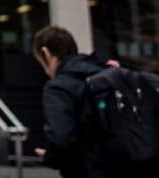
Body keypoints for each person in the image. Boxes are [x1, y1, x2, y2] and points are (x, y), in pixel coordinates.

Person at [33, 25, 113, 178]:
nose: (44, 70)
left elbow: (63, 138)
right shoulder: (105, 74)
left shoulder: (58, 87)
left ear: (46, 53)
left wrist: (50, 156)